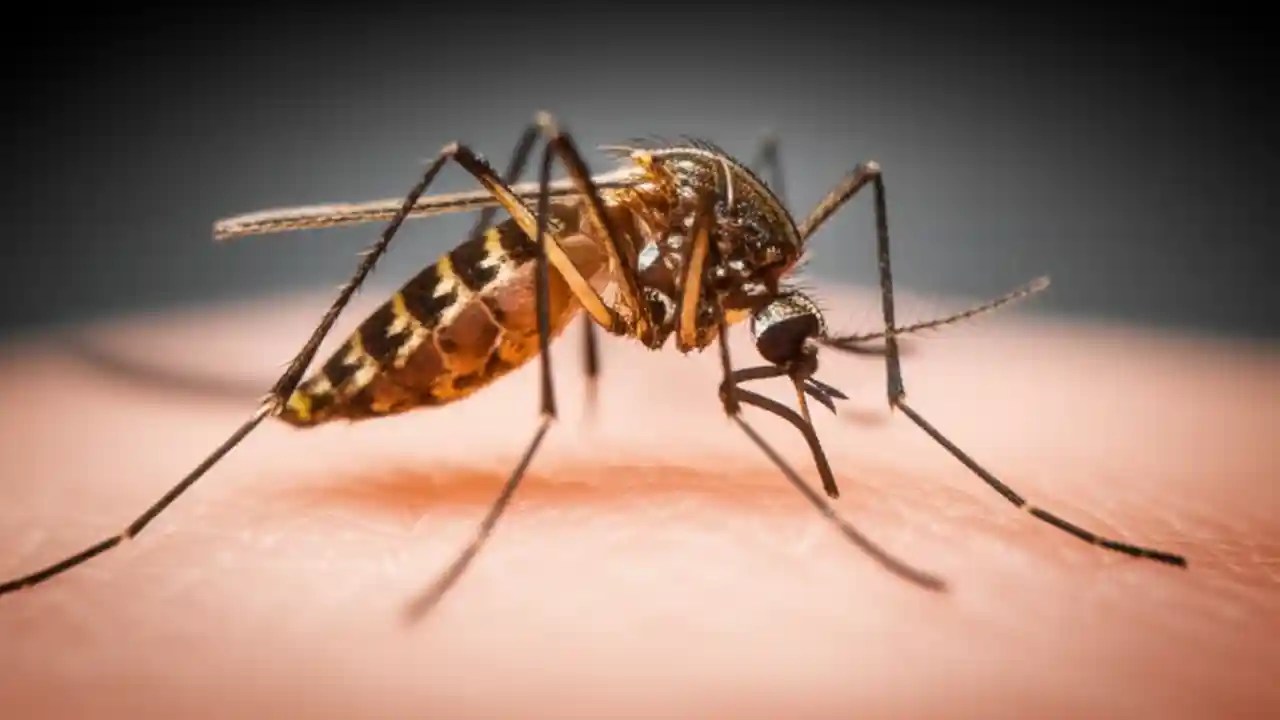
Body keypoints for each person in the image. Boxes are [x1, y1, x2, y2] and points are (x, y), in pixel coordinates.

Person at [0, 286, 1276, 719]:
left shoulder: (751, 277)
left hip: (601, 277)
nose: (788, 365)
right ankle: (137, 518)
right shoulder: (708, 279)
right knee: (492, 169)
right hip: (516, 288)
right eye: (787, 344)